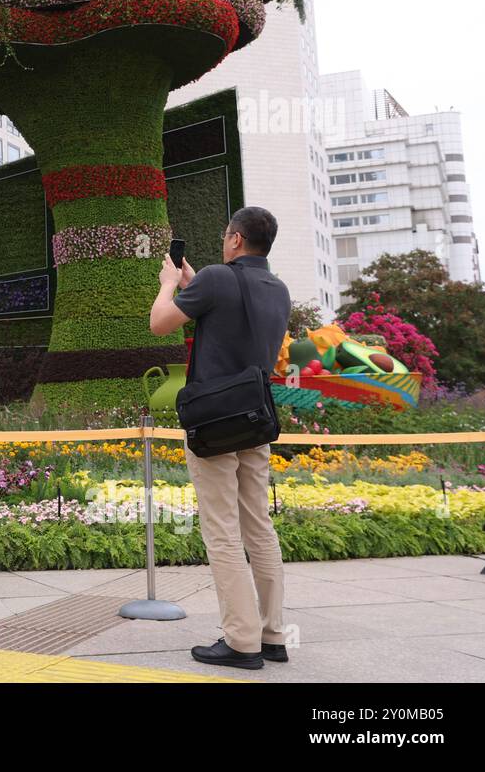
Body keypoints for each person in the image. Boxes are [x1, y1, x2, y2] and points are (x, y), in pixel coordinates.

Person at [148, 206, 292, 671]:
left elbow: (160, 324)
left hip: (214, 423)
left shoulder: (216, 277)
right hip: (255, 419)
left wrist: (171, 284)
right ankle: (271, 635)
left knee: (222, 532)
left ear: (234, 239)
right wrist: (198, 285)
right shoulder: (278, 288)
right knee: (259, 528)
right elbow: (236, 329)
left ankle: (241, 641)